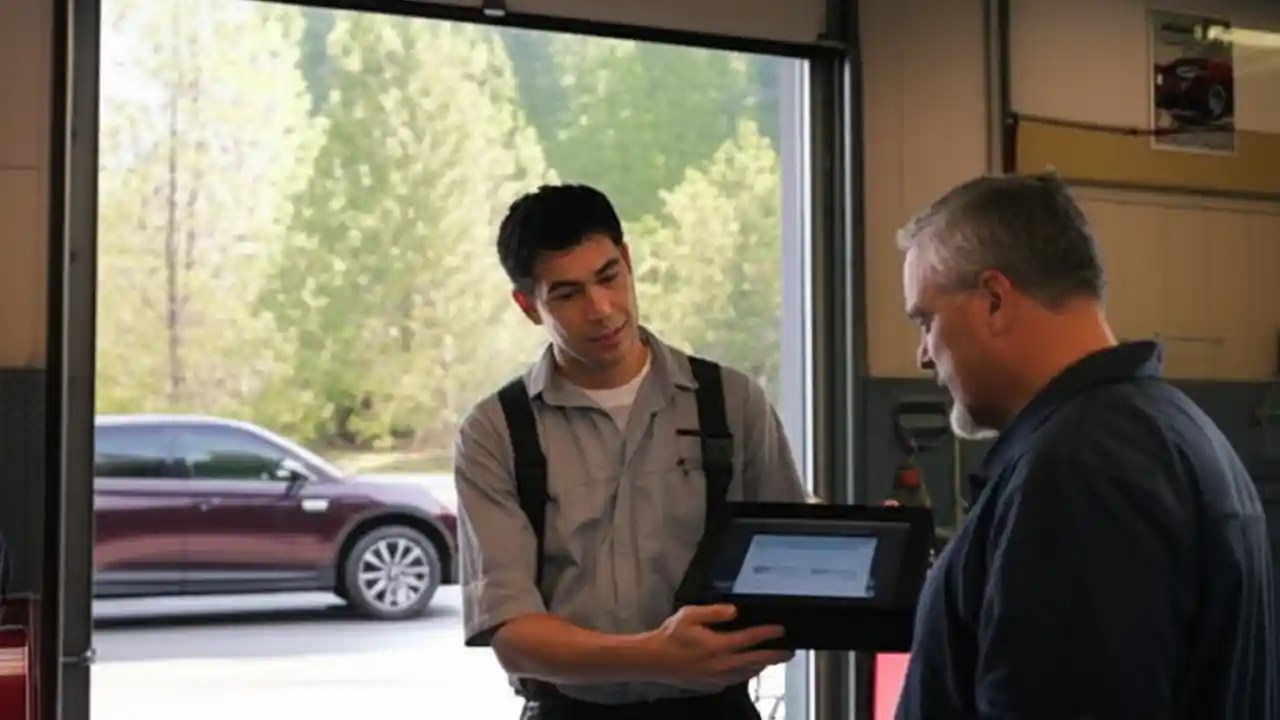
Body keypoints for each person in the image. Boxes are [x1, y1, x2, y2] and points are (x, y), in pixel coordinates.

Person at [894, 172, 1278, 719]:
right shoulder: (1172, 428)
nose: (924, 356)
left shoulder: (1078, 474)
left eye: (926, 320)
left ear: (994, 300)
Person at [454, 184, 807, 719]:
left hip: (717, 710)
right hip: (567, 711)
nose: (601, 310)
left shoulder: (732, 402)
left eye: (608, 276)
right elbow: (512, 634)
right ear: (529, 307)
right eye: (567, 295)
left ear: (629, 261)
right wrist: (657, 658)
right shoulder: (495, 431)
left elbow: (790, 567)